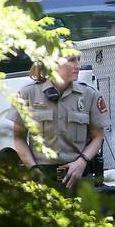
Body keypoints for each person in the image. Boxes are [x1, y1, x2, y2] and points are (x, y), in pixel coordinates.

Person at [11, 50, 107, 190]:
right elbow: (18, 137)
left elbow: (98, 136)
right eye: (71, 60)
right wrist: (33, 169)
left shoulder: (89, 95)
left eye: (78, 60)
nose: (78, 66)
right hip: (42, 181)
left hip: (78, 179)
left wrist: (82, 162)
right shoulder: (28, 94)